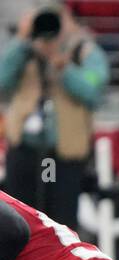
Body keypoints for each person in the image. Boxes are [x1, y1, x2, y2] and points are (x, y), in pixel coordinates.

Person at [0, 3, 107, 229]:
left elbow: (93, 92)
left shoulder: (84, 51)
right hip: (24, 152)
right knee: (19, 224)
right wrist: (22, 42)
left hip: (64, 157)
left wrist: (63, 67)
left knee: (62, 226)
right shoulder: (24, 50)